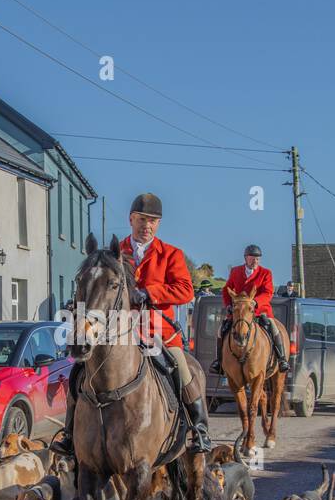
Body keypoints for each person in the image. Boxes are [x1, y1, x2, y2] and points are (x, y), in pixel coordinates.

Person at [53, 192, 211, 455]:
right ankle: (70, 434)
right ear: (131, 219)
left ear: (158, 224)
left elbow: (185, 291)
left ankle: (199, 428)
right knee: (79, 371)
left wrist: (150, 293)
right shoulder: (115, 252)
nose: (146, 225)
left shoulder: (171, 254)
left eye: (152, 220)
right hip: (116, 331)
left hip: (156, 329)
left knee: (181, 368)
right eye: (141, 219)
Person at [210, 244, 288, 374]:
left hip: (259, 310)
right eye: (252, 258)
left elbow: (268, 292)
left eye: (257, 259)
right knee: (221, 330)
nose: (255, 261)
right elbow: (226, 290)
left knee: (274, 328)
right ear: (246, 258)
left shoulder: (265, 273)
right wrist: (229, 305)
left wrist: (255, 302)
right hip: (239, 312)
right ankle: (219, 361)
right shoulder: (235, 271)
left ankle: (281, 359)